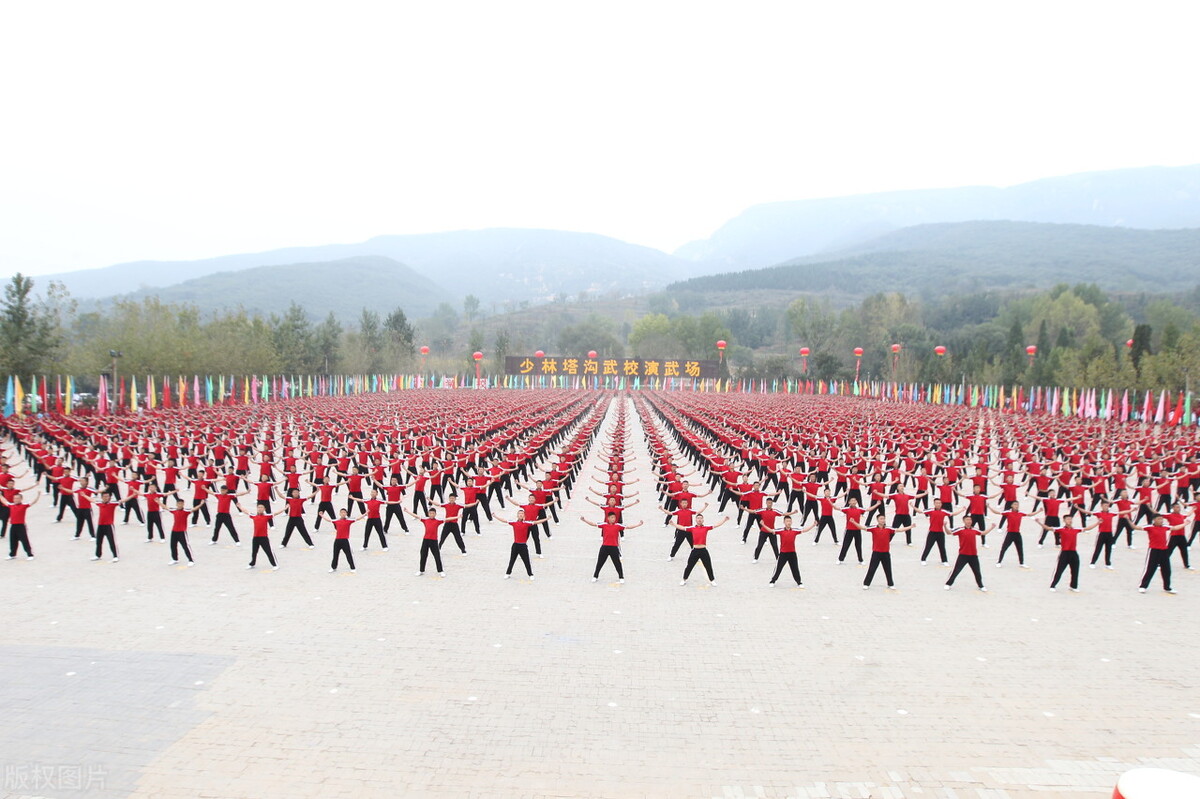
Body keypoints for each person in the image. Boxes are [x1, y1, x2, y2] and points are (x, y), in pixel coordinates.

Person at [581, 511, 642, 582]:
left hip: (614, 548)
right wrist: (584, 520)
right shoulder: (604, 524)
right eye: (612, 517)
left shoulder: (618, 525)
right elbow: (593, 524)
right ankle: (595, 576)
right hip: (604, 547)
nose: (614, 519)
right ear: (608, 518)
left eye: (614, 518)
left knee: (617, 563)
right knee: (599, 563)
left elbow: (628, 527)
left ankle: (621, 577)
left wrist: (638, 524)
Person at [671, 514, 729, 586]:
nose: (699, 520)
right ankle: (684, 579)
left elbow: (716, 525)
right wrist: (673, 524)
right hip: (695, 550)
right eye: (698, 518)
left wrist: (724, 520)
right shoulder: (692, 528)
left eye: (701, 518)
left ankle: (712, 580)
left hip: (703, 550)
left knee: (708, 566)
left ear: (703, 520)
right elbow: (682, 528)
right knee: (689, 566)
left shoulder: (706, 528)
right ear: (696, 520)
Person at [768, 514, 818, 587]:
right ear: (784, 522)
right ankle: (772, 581)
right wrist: (763, 525)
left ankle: (799, 582)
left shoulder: (795, 530)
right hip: (783, 553)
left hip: (792, 553)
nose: (788, 522)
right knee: (778, 568)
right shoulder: (781, 530)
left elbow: (804, 530)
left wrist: (813, 525)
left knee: (795, 568)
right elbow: (771, 530)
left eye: (790, 521)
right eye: (787, 521)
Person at [945, 517, 993, 591]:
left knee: (977, 571)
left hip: (973, 555)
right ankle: (948, 584)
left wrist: (991, 527)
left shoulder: (974, 529)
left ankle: (980, 585)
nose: (969, 521)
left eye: (970, 520)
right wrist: (945, 526)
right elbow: (949, 533)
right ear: (964, 521)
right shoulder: (960, 529)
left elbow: (983, 533)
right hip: (963, 554)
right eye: (967, 520)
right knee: (956, 570)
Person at [862, 520, 911, 590]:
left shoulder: (888, 529)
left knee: (888, 569)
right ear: (878, 520)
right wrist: (854, 522)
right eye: (881, 519)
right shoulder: (873, 528)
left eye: (884, 519)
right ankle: (866, 583)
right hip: (876, 553)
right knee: (872, 568)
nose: (883, 520)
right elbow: (863, 528)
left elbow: (899, 530)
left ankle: (890, 583)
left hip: (885, 553)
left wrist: (910, 527)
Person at [496, 507, 542, 580]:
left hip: (523, 545)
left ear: (524, 516)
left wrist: (547, 519)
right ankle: (508, 573)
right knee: (512, 560)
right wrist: (495, 516)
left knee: (526, 561)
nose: (520, 515)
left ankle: (530, 574)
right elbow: (504, 521)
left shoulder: (527, 523)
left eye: (522, 514)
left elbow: (536, 522)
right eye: (519, 514)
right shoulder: (514, 523)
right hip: (515, 545)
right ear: (517, 515)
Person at [1138, 514, 1177, 593]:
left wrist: (1185, 524)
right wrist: (1128, 520)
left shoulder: (1165, 527)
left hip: (1164, 550)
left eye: (1162, 519)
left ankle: (1167, 587)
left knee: (1167, 570)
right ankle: (1143, 586)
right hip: (1154, 550)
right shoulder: (1150, 527)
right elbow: (1136, 527)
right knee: (1150, 569)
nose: (1161, 520)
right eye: (1159, 519)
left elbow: (1175, 527)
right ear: (1154, 520)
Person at [403, 505, 447, 577]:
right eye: (430, 513)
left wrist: (458, 517)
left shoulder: (438, 521)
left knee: (437, 556)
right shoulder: (425, 520)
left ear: (435, 514)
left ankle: (440, 571)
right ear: (428, 514)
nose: (431, 514)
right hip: (426, 540)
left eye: (433, 513)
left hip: (434, 541)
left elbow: (448, 519)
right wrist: (407, 511)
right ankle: (421, 570)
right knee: (423, 555)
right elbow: (416, 516)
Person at [320, 507, 365, 573]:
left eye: (344, 512)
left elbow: (357, 519)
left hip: (345, 540)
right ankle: (333, 567)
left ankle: (352, 567)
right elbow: (329, 520)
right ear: (340, 514)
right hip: (337, 540)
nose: (343, 513)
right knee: (335, 554)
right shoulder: (336, 521)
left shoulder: (349, 521)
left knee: (348, 554)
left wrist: (365, 514)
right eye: (342, 512)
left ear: (346, 513)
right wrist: (322, 515)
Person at [0, 490, 39, 560]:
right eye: (15, 498)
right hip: (13, 526)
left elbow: (33, 502)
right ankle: (12, 554)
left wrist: (38, 495)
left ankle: (30, 554)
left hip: (20, 526)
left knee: (24, 540)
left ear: (21, 499)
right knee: (12, 540)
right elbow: (4, 501)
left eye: (17, 498)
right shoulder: (11, 505)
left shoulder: (24, 505)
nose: (16, 500)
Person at [246, 503, 283, 570]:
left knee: (268, 551)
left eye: (261, 507)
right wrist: (239, 506)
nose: (260, 508)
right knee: (254, 552)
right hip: (255, 537)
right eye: (258, 507)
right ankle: (252, 563)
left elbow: (276, 513)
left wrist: (285, 508)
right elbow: (246, 512)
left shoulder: (267, 516)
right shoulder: (254, 516)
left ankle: (275, 564)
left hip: (264, 538)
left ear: (264, 509)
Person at [165, 496, 200, 566]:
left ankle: (191, 560)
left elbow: (193, 509)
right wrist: (158, 502)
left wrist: (200, 504)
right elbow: (166, 507)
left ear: (183, 504)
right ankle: (175, 559)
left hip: (182, 531)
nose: (180, 505)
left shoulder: (185, 511)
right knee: (173, 545)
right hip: (174, 531)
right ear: (176, 504)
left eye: (181, 504)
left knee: (185, 546)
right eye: (178, 503)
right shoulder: (174, 510)